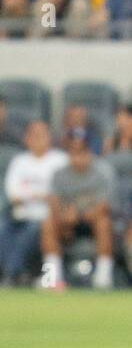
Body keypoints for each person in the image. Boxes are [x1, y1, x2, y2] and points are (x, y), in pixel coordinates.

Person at [41, 132, 114, 290]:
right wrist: (64, 216)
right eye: (73, 152)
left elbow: (104, 206)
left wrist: (79, 215)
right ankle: (52, 278)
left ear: (89, 153)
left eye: (82, 152)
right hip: (66, 221)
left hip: (92, 221)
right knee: (48, 224)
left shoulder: (102, 172)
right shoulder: (59, 174)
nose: (78, 158)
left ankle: (103, 278)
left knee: (104, 223)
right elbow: (53, 203)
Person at [1, 120, 67, 285]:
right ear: (27, 139)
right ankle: (13, 274)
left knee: (33, 232)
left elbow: (58, 194)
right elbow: (13, 194)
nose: (38, 139)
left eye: (42, 135)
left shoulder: (60, 160)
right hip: (20, 215)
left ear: (50, 138)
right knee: (4, 230)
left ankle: (46, 278)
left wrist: (29, 195)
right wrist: (40, 195)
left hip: (50, 216)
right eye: (34, 135)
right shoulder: (20, 161)